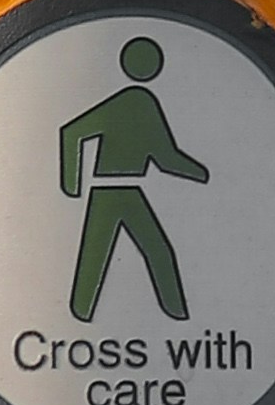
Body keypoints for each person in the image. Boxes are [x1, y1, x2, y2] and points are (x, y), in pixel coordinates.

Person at [59, 35, 210, 322]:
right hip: (116, 192)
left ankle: (172, 315)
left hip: (116, 191)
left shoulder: (138, 102)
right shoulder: (136, 102)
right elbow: (72, 132)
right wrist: (71, 185)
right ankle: (175, 316)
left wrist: (200, 173)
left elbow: (164, 158)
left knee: (107, 259)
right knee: (146, 253)